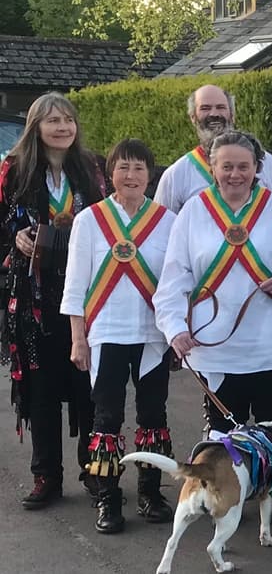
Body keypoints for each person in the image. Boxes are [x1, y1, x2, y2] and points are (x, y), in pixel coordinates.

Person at [153, 130, 272, 525]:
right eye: (226, 166)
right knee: (225, 431)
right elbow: (173, 279)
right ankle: (224, 494)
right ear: (212, 168)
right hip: (216, 346)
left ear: (257, 168)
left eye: (243, 166)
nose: (235, 174)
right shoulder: (193, 212)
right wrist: (175, 329)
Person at [62, 139, 177, 533]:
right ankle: (108, 498)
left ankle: (150, 492)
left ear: (150, 175)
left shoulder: (167, 221)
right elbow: (75, 285)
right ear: (110, 173)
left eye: (139, 168)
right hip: (106, 333)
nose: (131, 176)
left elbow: (176, 281)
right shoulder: (89, 220)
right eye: (123, 167)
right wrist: (78, 338)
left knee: (154, 415)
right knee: (106, 418)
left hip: (152, 335)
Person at [0, 92, 106, 509]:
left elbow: (109, 219)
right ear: (36, 127)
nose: (62, 127)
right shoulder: (14, 171)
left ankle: (94, 471)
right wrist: (16, 239)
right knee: (40, 389)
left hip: (87, 297)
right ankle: (46, 475)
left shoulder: (92, 169)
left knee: (88, 388)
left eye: (68, 119)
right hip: (35, 299)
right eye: (52, 120)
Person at [153, 84, 272, 214]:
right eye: (205, 108)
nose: (214, 114)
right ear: (193, 117)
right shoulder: (176, 174)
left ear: (232, 114)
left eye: (221, 107)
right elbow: (161, 228)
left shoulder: (265, 161)